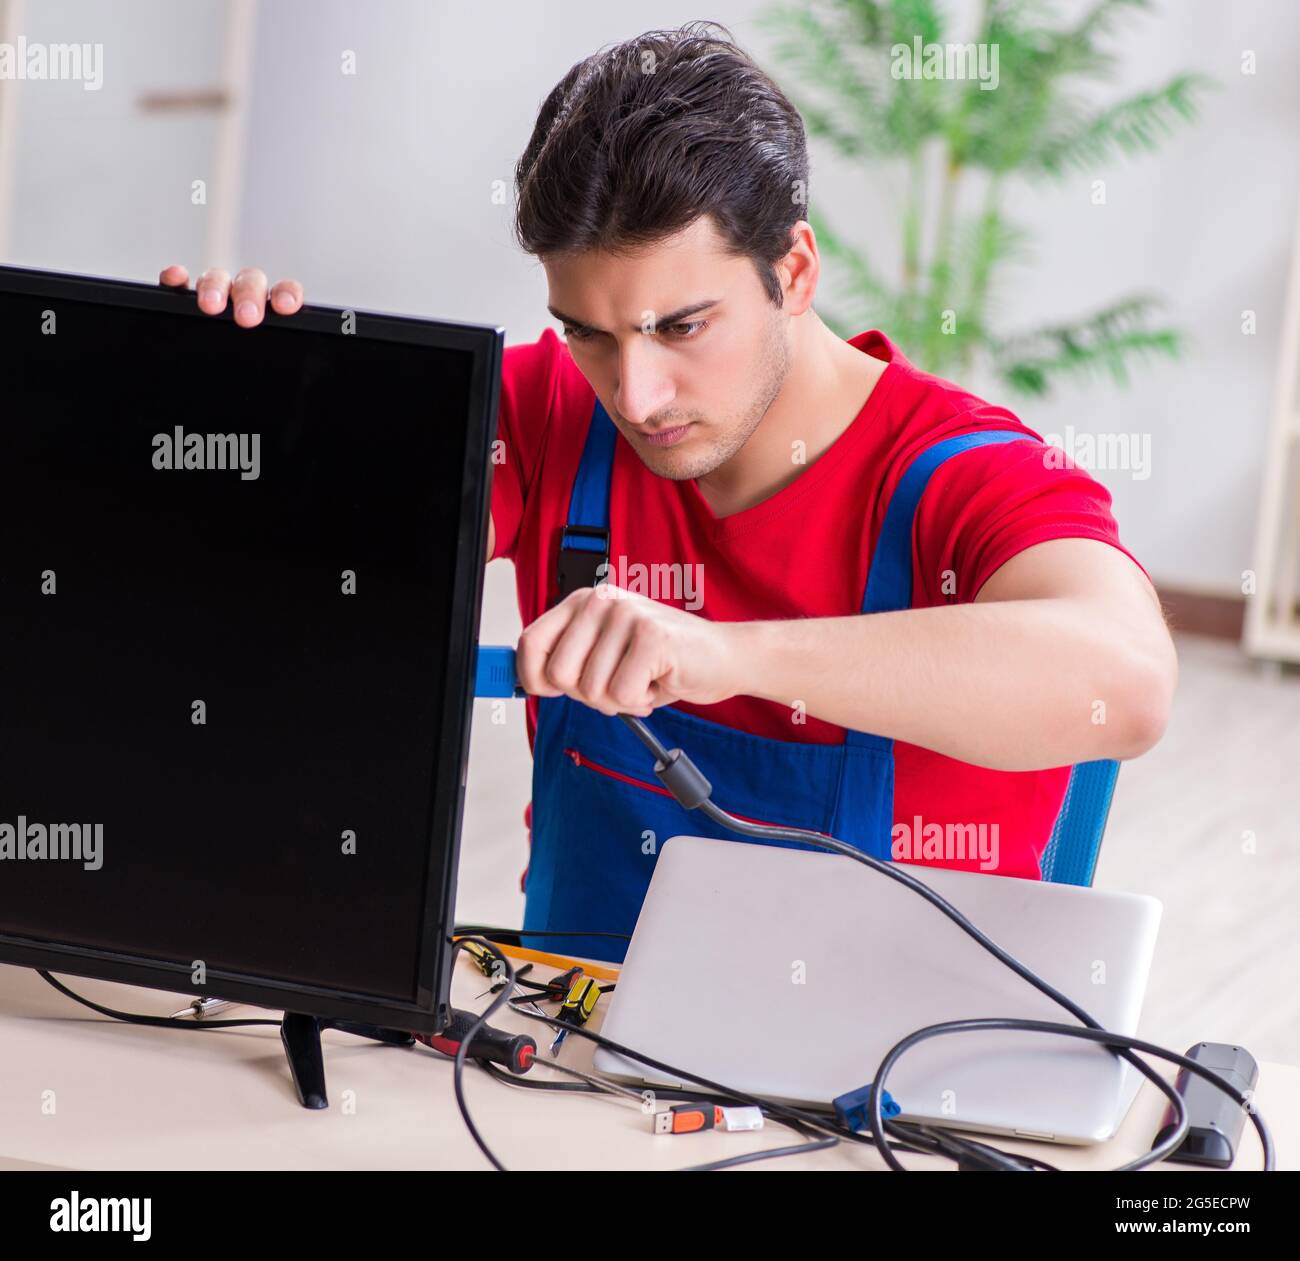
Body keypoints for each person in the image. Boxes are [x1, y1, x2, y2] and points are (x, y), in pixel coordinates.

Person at [162, 22, 1177, 964]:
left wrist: (719, 654)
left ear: (797, 268)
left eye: (681, 327)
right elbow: (265, 593)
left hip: (884, 1109)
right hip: (571, 1062)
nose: (635, 395)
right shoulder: (544, 413)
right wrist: (229, 406)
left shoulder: (962, 476)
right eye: (589, 333)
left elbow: (1126, 684)